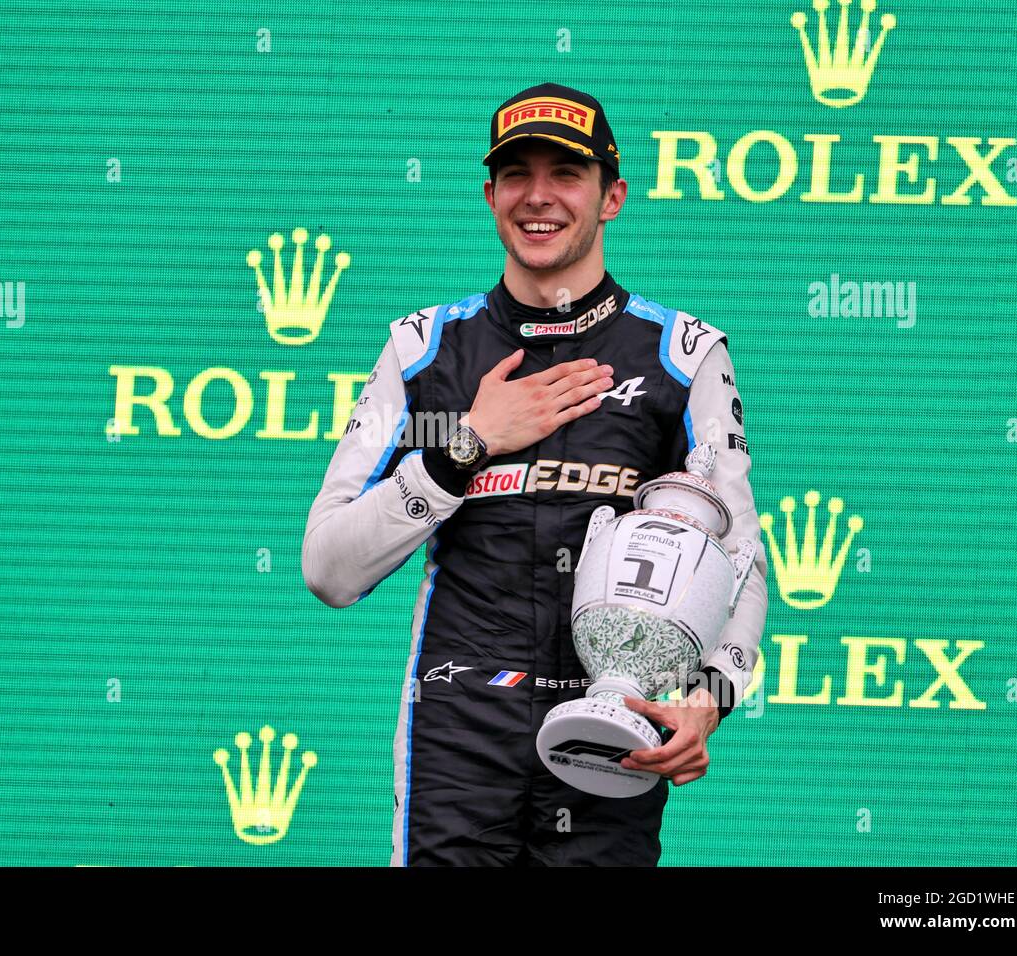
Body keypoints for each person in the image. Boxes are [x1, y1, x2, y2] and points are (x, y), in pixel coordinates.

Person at [301, 83, 769, 866]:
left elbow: (743, 559)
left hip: (612, 731)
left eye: (567, 173)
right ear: (489, 195)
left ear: (612, 195)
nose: (538, 196)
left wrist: (707, 700)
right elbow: (327, 569)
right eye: (516, 173)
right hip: (458, 732)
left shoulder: (683, 355)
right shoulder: (423, 351)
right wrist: (468, 444)